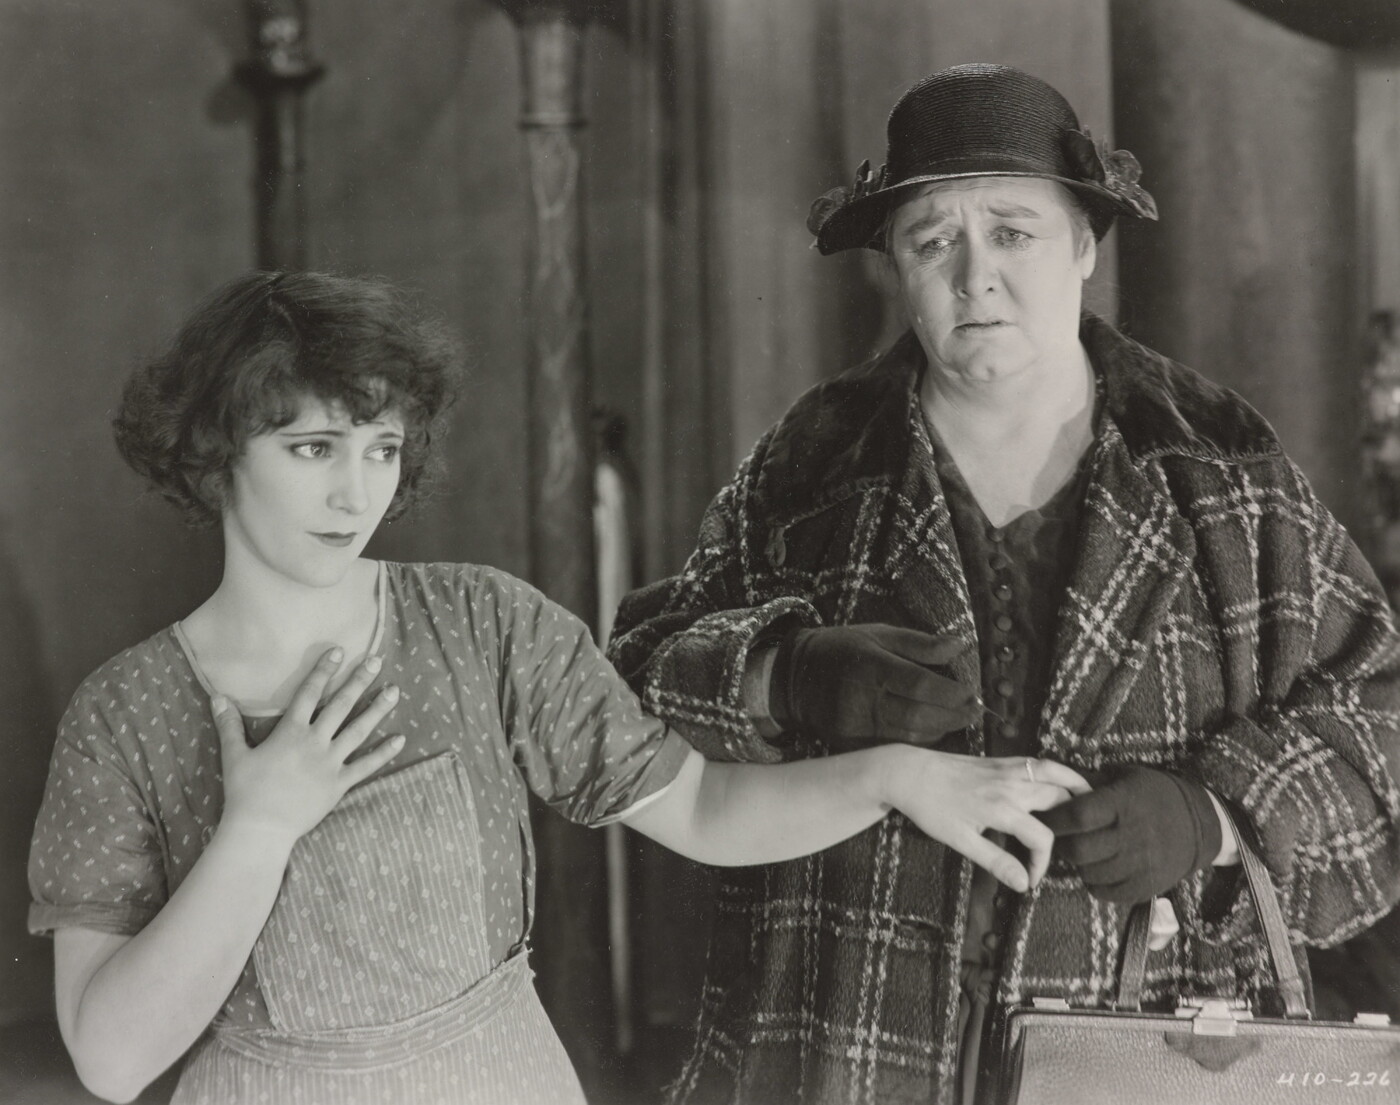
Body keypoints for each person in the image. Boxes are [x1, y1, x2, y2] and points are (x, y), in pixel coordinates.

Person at [26, 270, 1093, 1105]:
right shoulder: (124, 715)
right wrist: (256, 826)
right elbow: (113, 1063)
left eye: (381, 447)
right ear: (217, 451)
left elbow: (699, 807)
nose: (355, 491)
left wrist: (894, 776)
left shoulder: (486, 625)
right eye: (312, 446)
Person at [607, 63, 1400, 1105]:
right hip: (841, 1027)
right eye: (933, 238)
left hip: (1143, 1042)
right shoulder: (811, 467)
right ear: (894, 262)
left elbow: (1381, 714)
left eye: (1012, 231)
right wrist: (783, 672)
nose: (973, 273)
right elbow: (631, 688)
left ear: (1082, 244)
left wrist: (1211, 814)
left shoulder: (1218, 471)